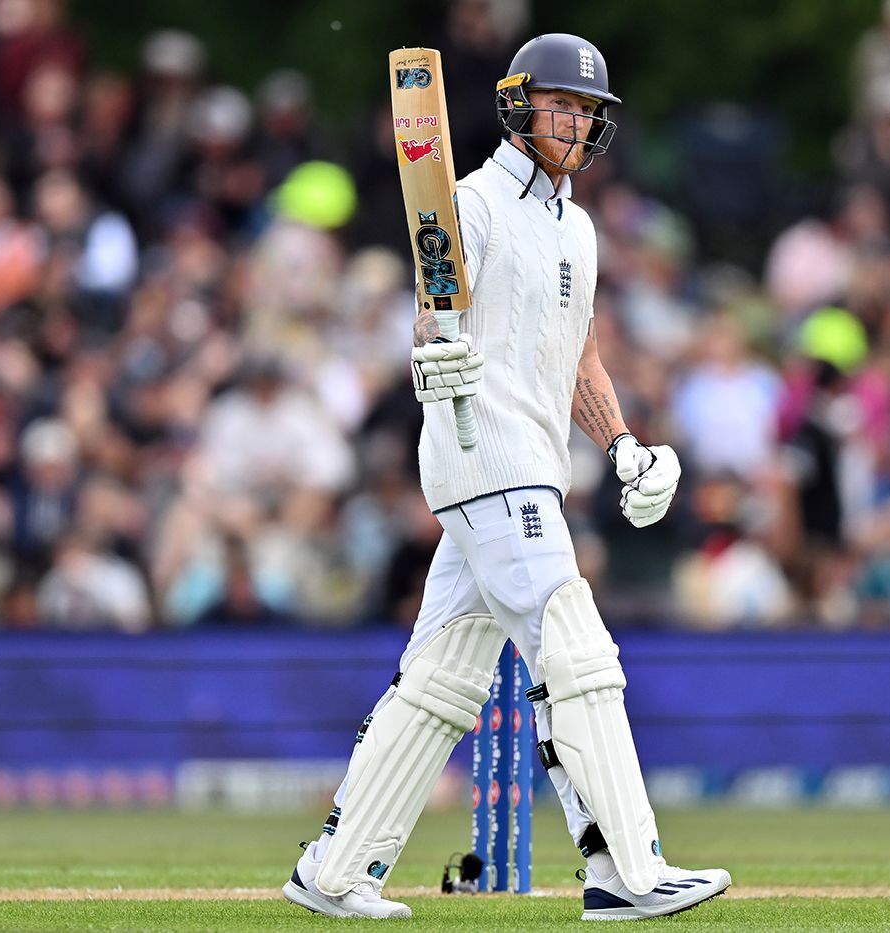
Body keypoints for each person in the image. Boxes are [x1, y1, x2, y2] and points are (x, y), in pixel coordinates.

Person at [281, 34, 730, 921]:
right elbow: (430, 311)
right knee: (576, 649)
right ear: (520, 106)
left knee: (442, 676)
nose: (577, 123)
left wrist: (622, 445)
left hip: (534, 466)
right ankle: (625, 870)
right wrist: (433, 353)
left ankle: (334, 870)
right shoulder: (472, 203)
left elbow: (579, 357)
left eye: (590, 112)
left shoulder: (580, 227)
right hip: (486, 459)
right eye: (562, 105)